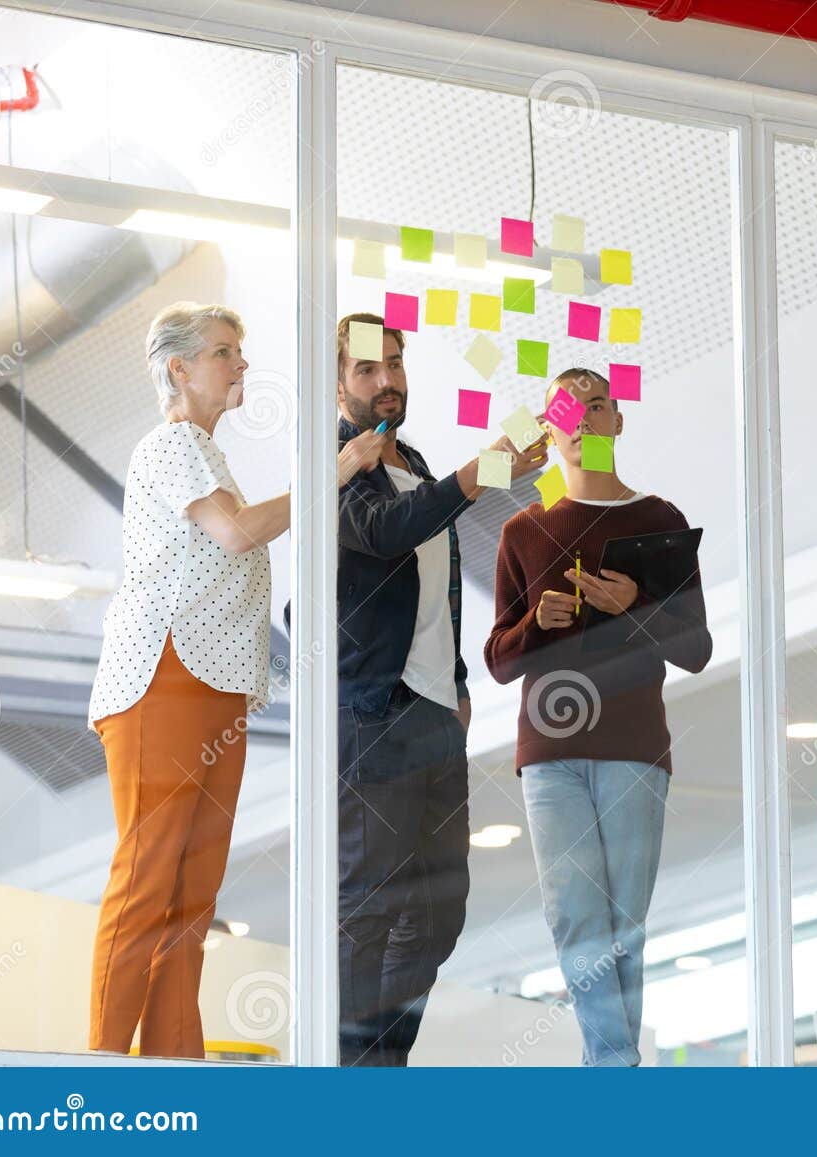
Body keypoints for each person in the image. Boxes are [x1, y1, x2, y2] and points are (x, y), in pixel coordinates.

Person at [87, 302, 383, 1058]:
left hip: (215, 683)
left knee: (192, 895)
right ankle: (100, 1065)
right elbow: (238, 531)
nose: (241, 363)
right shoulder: (173, 442)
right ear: (178, 369)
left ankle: (174, 1064)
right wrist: (336, 471)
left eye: (239, 351)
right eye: (224, 352)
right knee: (149, 876)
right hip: (165, 673)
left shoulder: (206, 455)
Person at [325, 312, 545, 1066]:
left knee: (440, 912)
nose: (386, 380)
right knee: (369, 910)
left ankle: (379, 1064)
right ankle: (351, 1078)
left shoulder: (412, 460)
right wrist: (481, 471)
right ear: (337, 383)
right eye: (366, 369)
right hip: (372, 709)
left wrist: (455, 683)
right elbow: (387, 530)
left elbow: (434, 575)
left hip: (433, 710)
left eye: (395, 363)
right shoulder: (333, 461)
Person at [485, 366, 712, 1067]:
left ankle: (608, 1071)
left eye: (597, 406)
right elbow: (497, 659)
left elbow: (696, 649)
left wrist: (633, 607)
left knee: (623, 922)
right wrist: (536, 625)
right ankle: (616, 1069)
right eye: (565, 411)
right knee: (573, 914)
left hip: (633, 746)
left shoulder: (659, 520)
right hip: (548, 751)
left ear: (618, 421)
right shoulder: (522, 530)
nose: (582, 419)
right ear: (548, 432)